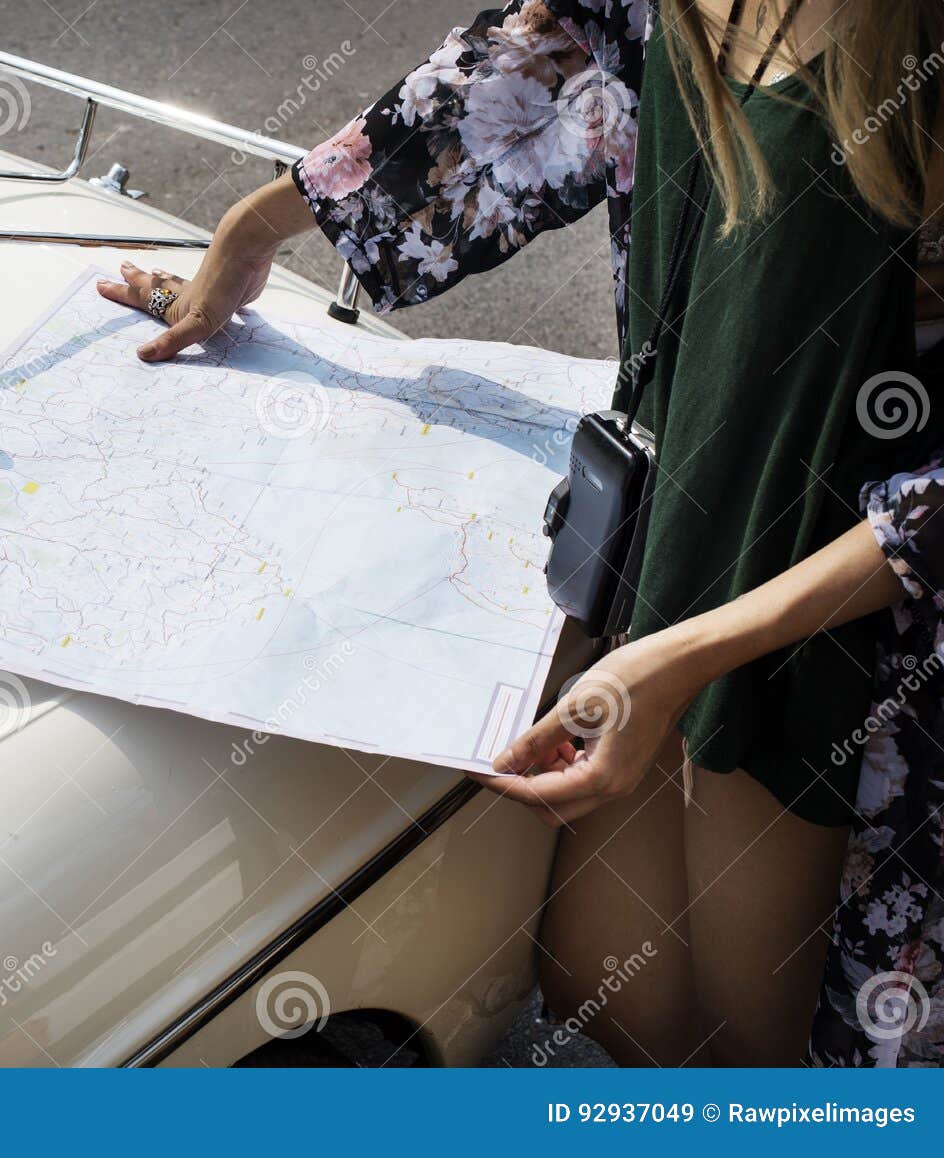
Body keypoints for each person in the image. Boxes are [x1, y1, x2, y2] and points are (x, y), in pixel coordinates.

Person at [98, 0, 944, 1067]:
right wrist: (252, 233)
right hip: (664, 563)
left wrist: (689, 659)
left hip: (830, 640)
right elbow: (491, 95)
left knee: (762, 1058)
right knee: (601, 985)